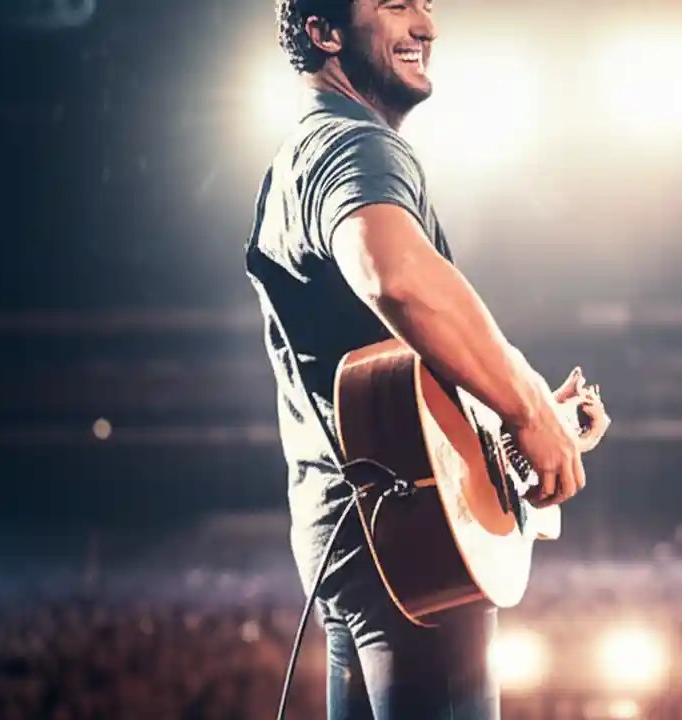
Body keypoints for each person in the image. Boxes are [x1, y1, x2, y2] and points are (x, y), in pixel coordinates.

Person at [246, 1, 611, 717]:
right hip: (405, 544)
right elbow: (397, 279)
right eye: (396, 5)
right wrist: (525, 407)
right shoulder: (353, 146)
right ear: (324, 33)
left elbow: (402, 397)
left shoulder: (304, 152)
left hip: (362, 541)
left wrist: (524, 433)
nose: (427, 25)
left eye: (426, 4)